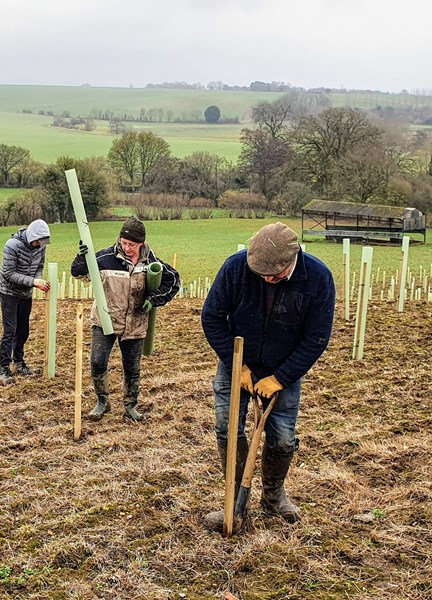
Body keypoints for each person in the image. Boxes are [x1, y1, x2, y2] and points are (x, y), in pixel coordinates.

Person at [201, 222, 335, 531]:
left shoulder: (318, 278)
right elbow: (211, 317)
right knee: (227, 427)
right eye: (260, 273)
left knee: (283, 437)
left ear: (293, 258)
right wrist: (239, 367)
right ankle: (234, 502)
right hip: (236, 362)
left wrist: (281, 378)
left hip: (283, 367)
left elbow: (316, 338)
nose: (266, 279)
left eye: (273, 274)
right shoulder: (236, 268)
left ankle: (273, 498)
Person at [71, 217, 180, 421]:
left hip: (136, 322)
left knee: (132, 367)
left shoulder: (151, 262)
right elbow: (78, 274)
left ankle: (130, 405)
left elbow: (173, 281)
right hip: (106, 319)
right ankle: (102, 402)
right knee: (97, 361)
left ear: (141, 244)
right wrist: (81, 258)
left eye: (132, 244)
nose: (127, 247)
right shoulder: (105, 258)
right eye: (124, 243)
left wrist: (154, 299)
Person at [0, 219, 51, 384]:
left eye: (41, 243)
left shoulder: (40, 247)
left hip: (26, 293)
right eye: (36, 242)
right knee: (10, 331)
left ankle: (19, 362)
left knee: (23, 330)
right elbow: (8, 273)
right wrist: (33, 282)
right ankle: (4, 367)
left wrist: (38, 279)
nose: (38, 245)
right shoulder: (12, 246)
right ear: (30, 236)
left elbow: (40, 266)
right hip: (9, 292)